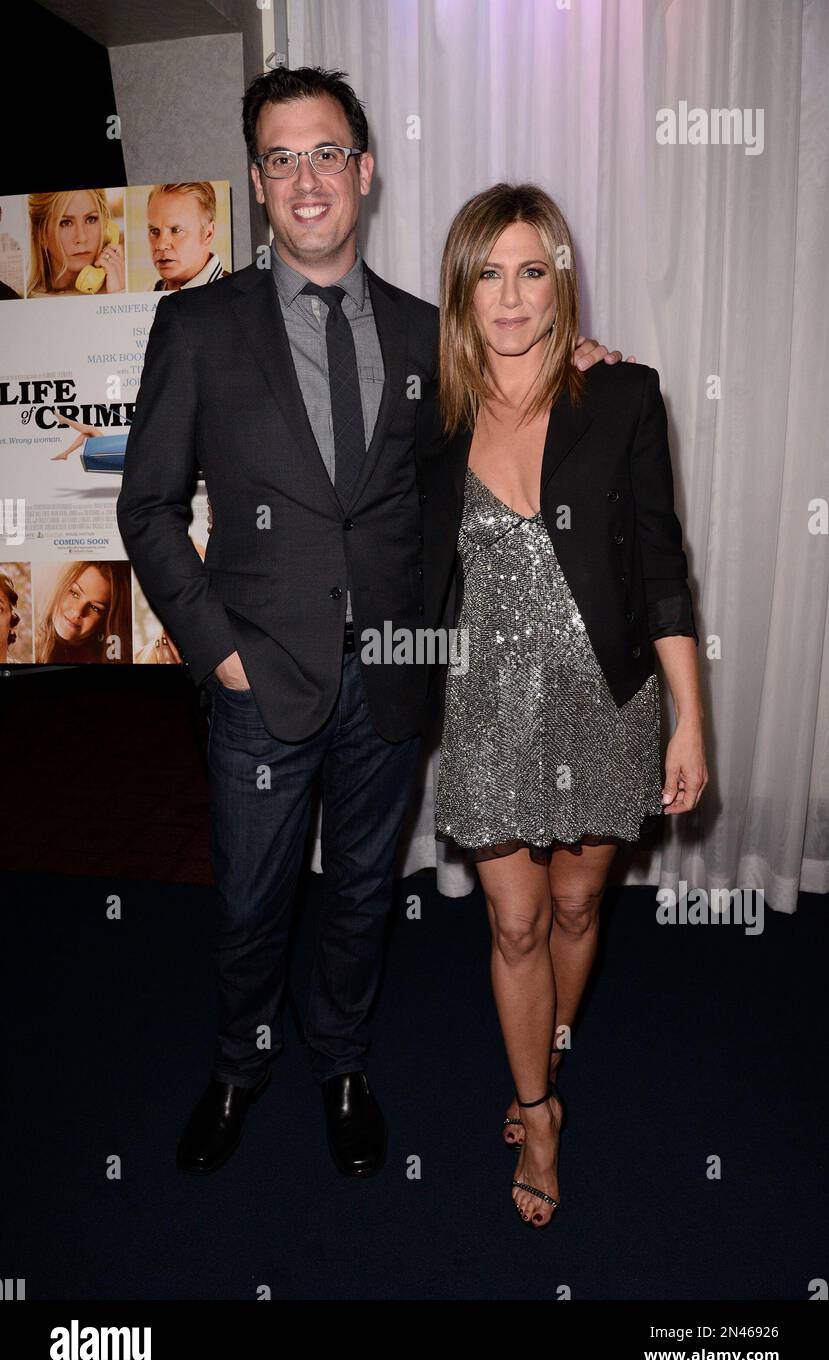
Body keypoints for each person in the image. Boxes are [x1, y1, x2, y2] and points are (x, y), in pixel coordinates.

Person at [116, 65, 626, 1182]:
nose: (308, 179)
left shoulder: (420, 335)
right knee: (251, 903)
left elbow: (504, 422)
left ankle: (341, 1061)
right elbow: (144, 507)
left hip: (393, 682)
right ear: (257, 183)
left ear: (365, 169)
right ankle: (240, 1066)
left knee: (359, 894)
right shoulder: (196, 326)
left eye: (327, 153)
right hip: (258, 683)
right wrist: (221, 653)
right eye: (282, 158)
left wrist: (577, 365)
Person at [417, 183, 708, 1228]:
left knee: (579, 906)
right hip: (488, 707)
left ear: (560, 283)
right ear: (461, 288)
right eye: (487, 272)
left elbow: (664, 568)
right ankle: (539, 1111)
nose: (508, 295)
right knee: (514, 921)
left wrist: (690, 717)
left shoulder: (623, 396)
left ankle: (546, 1048)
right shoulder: (433, 412)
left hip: (606, 697)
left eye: (530, 269)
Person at [27, 190, 125, 296]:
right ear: (42, 235)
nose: (81, 238)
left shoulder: (120, 288)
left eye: (91, 219)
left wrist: (119, 295)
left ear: (105, 228)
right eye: (66, 223)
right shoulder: (27, 301)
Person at [146, 183, 231, 291]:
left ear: (208, 234)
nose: (161, 245)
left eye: (176, 230)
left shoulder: (237, 298)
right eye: (154, 231)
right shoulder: (147, 292)